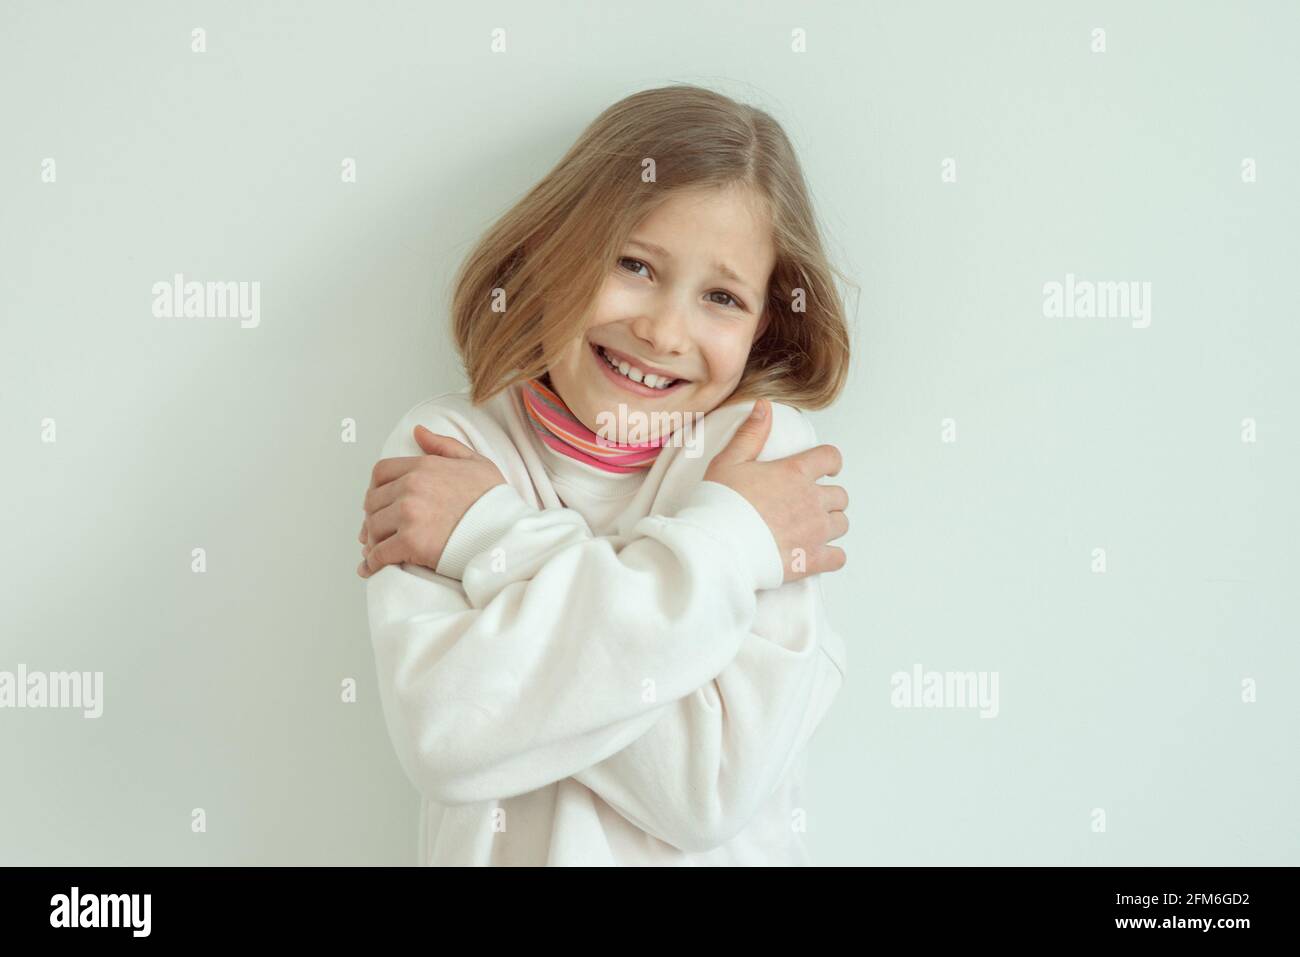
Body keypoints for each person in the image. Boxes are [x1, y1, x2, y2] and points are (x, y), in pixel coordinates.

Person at [357, 84, 852, 865]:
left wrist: (490, 536)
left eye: (721, 296)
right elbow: (446, 736)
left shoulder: (760, 462)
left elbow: (707, 790)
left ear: (765, 324)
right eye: (634, 264)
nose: (660, 329)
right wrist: (725, 553)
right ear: (560, 248)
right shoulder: (447, 446)